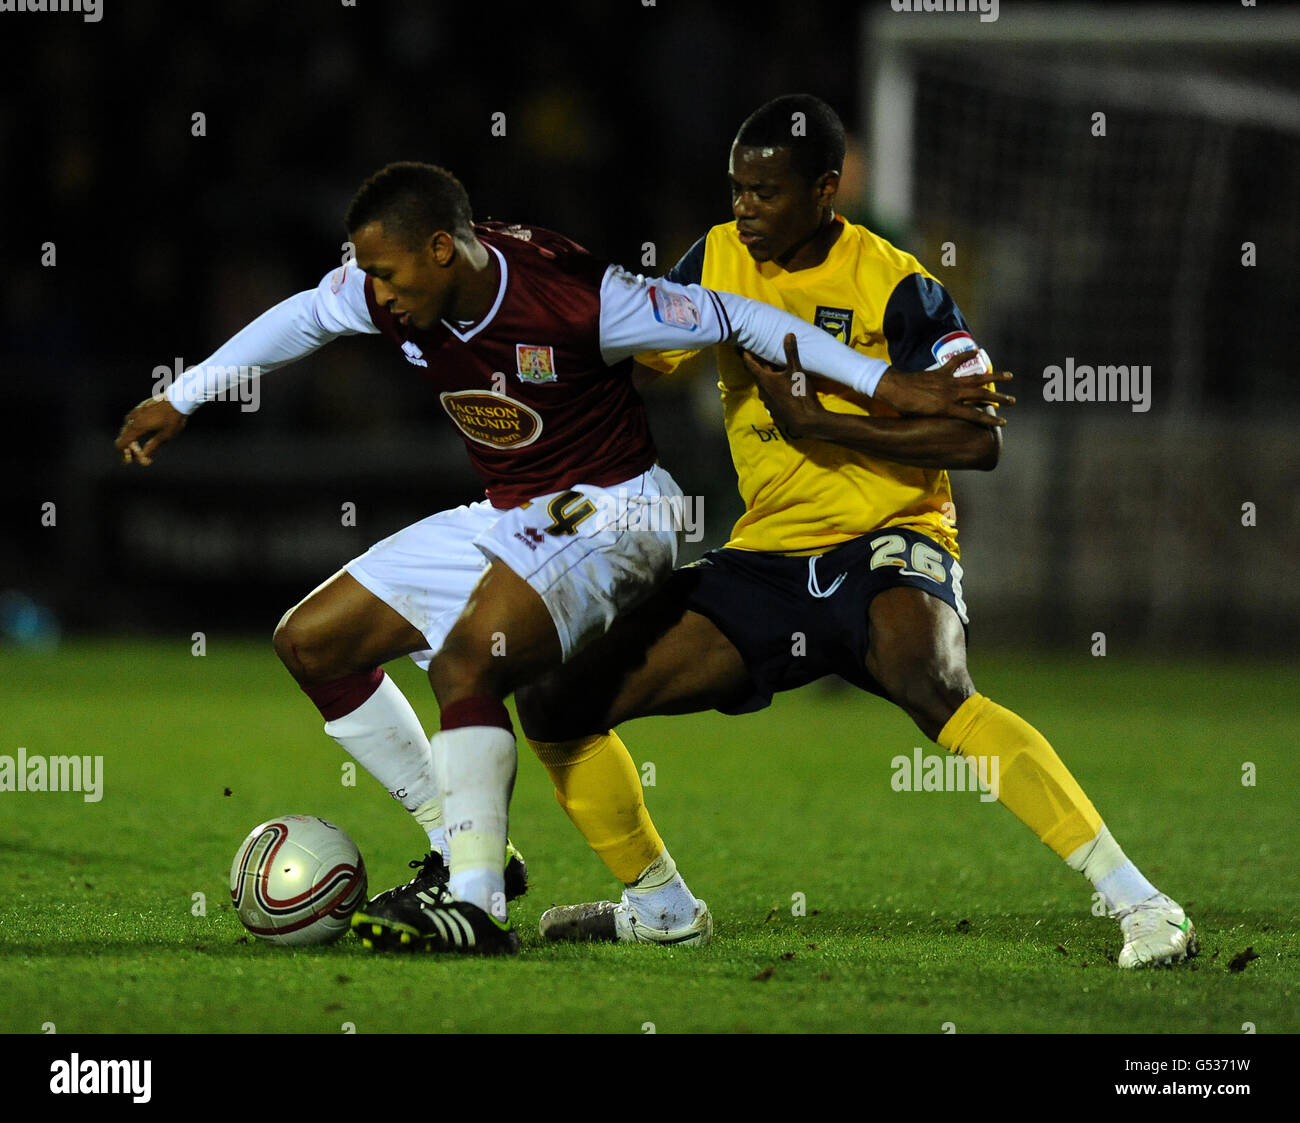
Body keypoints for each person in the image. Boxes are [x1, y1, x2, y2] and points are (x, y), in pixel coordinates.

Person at [114, 160, 1007, 956]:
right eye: (367, 276)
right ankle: (470, 847)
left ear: (441, 250)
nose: (373, 294)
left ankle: (472, 905)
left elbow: (737, 315)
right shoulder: (378, 287)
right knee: (311, 641)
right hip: (511, 509)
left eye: (386, 274)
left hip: (613, 505)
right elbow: (304, 316)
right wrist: (183, 399)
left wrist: (886, 385)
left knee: (471, 661)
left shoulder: (582, 296)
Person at [515, 96, 1197, 969]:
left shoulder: (900, 285)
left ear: (826, 191)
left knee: (930, 680)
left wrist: (829, 427)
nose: (745, 208)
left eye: (766, 192)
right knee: (556, 701)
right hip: (767, 559)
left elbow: (978, 438)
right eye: (736, 188)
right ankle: (659, 906)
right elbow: (634, 357)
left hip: (890, 538)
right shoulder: (714, 258)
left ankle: (1142, 902)